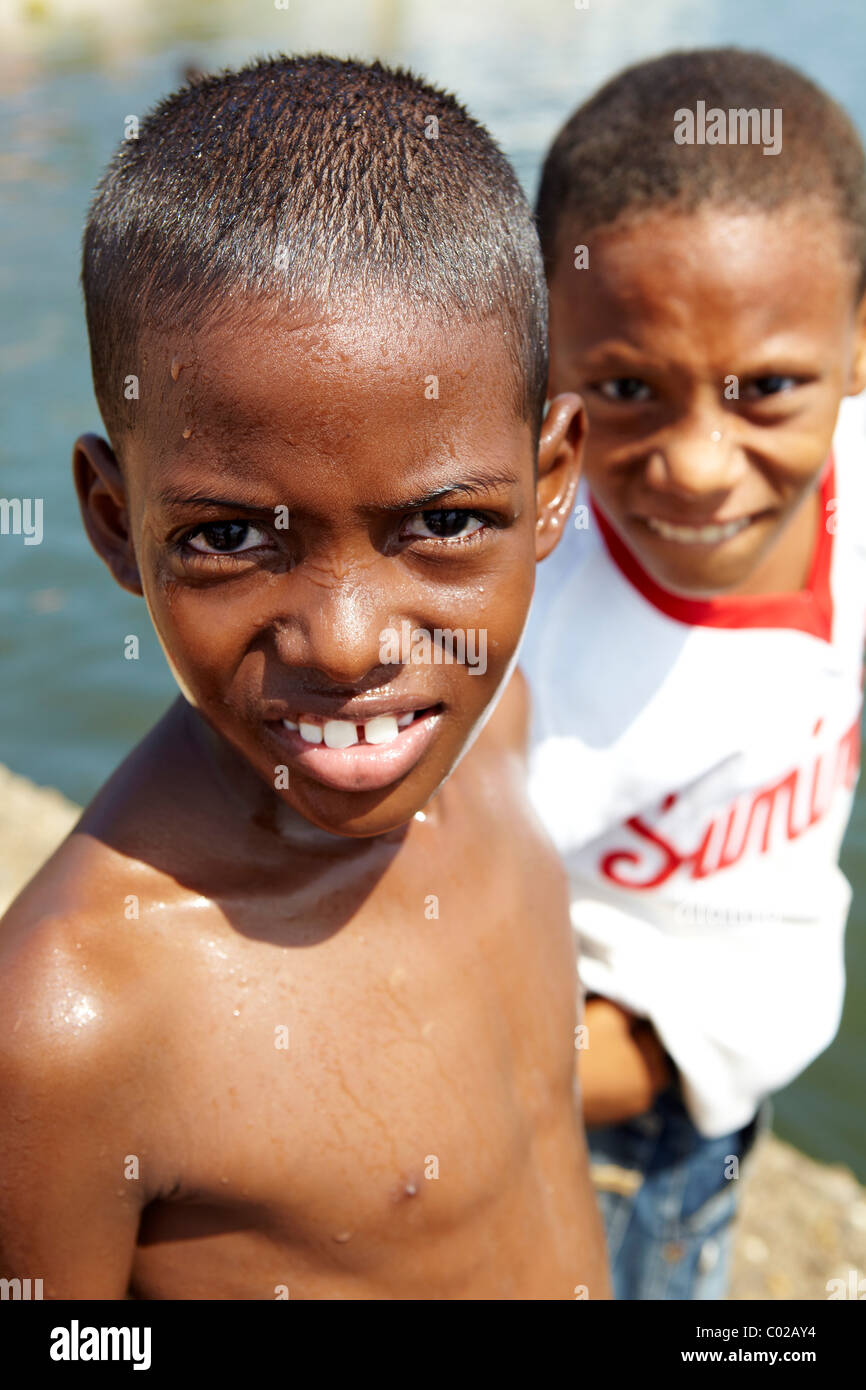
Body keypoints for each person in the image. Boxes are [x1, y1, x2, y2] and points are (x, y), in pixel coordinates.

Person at [0, 55, 610, 1301]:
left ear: (550, 485)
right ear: (116, 525)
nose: (341, 643)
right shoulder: (71, 1026)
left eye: (440, 524)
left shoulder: (501, 741)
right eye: (227, 537)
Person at [521, 46, 866, 1299]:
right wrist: (635, 1062)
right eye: (622, 389)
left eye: (766, 390)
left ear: (856, 343)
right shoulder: (524, 630)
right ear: (547, 353)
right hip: (589, 1117)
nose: (698, 464)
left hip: (719, 1117)